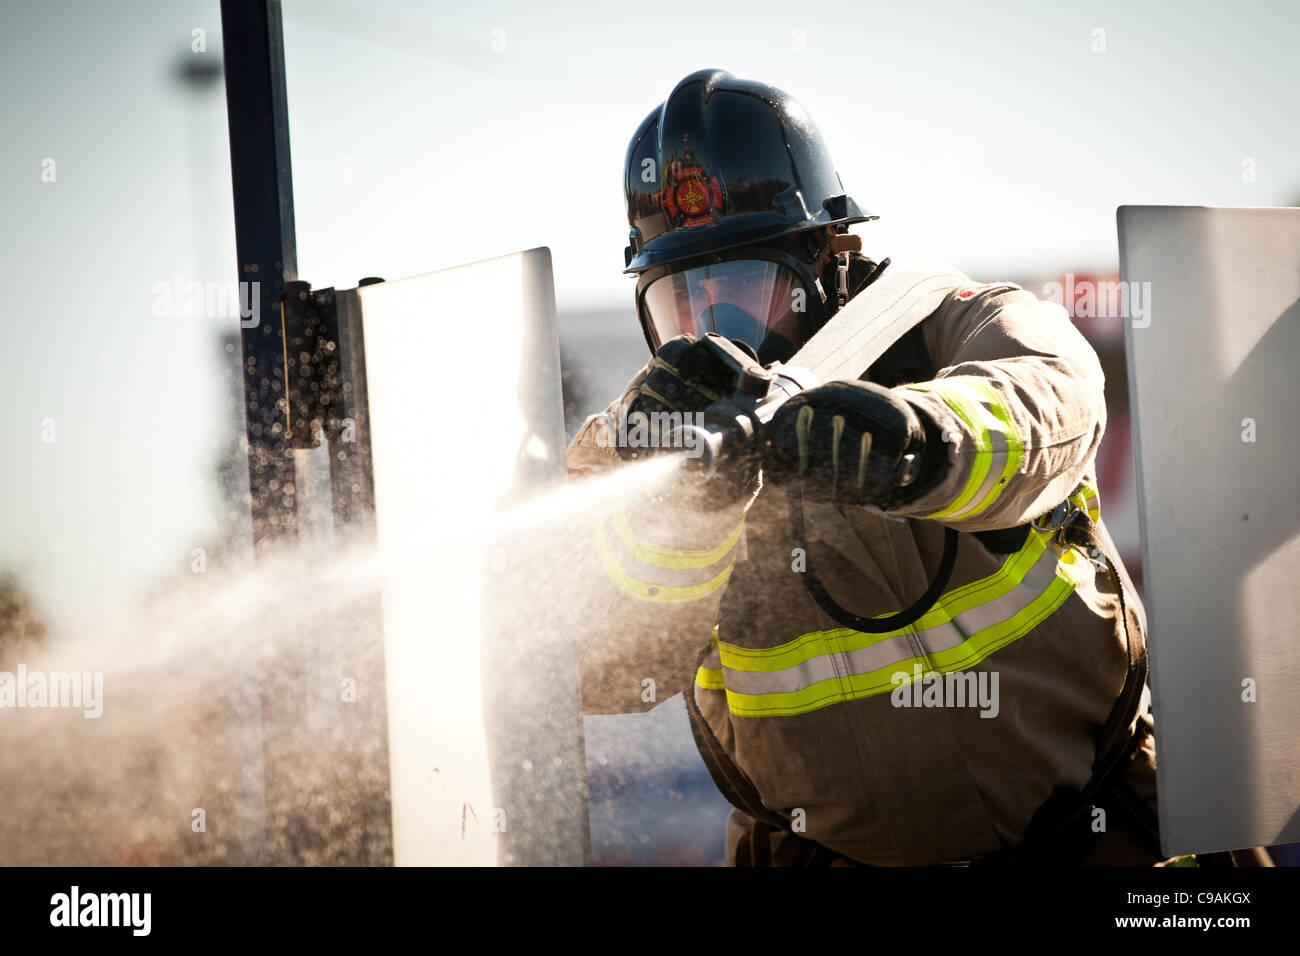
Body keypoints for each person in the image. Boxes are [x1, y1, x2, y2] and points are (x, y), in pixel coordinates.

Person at [566, 68, 1169, 866]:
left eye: (748, 291)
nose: (719, 332)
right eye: (684, 304)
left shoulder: (957, 326)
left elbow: (1050, 401)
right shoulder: (641, 441)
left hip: (1094, 836)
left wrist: (914, 444)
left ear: (826, 260)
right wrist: (685, 513)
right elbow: (599, 671)